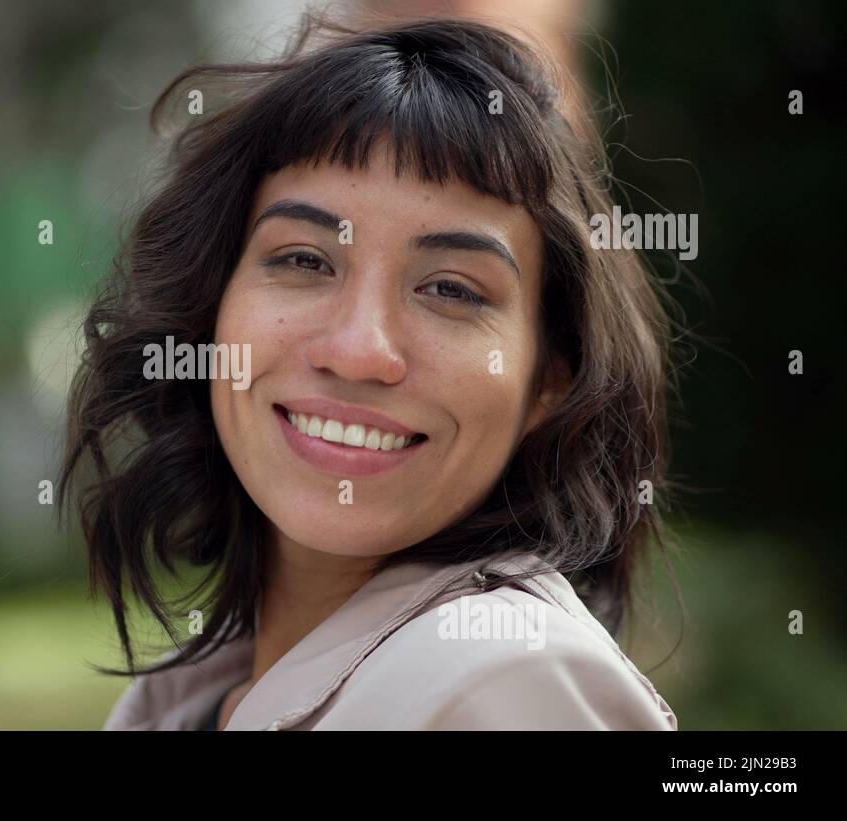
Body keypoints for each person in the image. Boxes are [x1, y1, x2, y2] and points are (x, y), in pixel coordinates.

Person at [58, 15, 679, 730]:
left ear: (550, 380)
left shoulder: (509, 683)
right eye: (303, 260)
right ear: (212, 311)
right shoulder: (188, 698)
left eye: (451, 289)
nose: (357, 350)